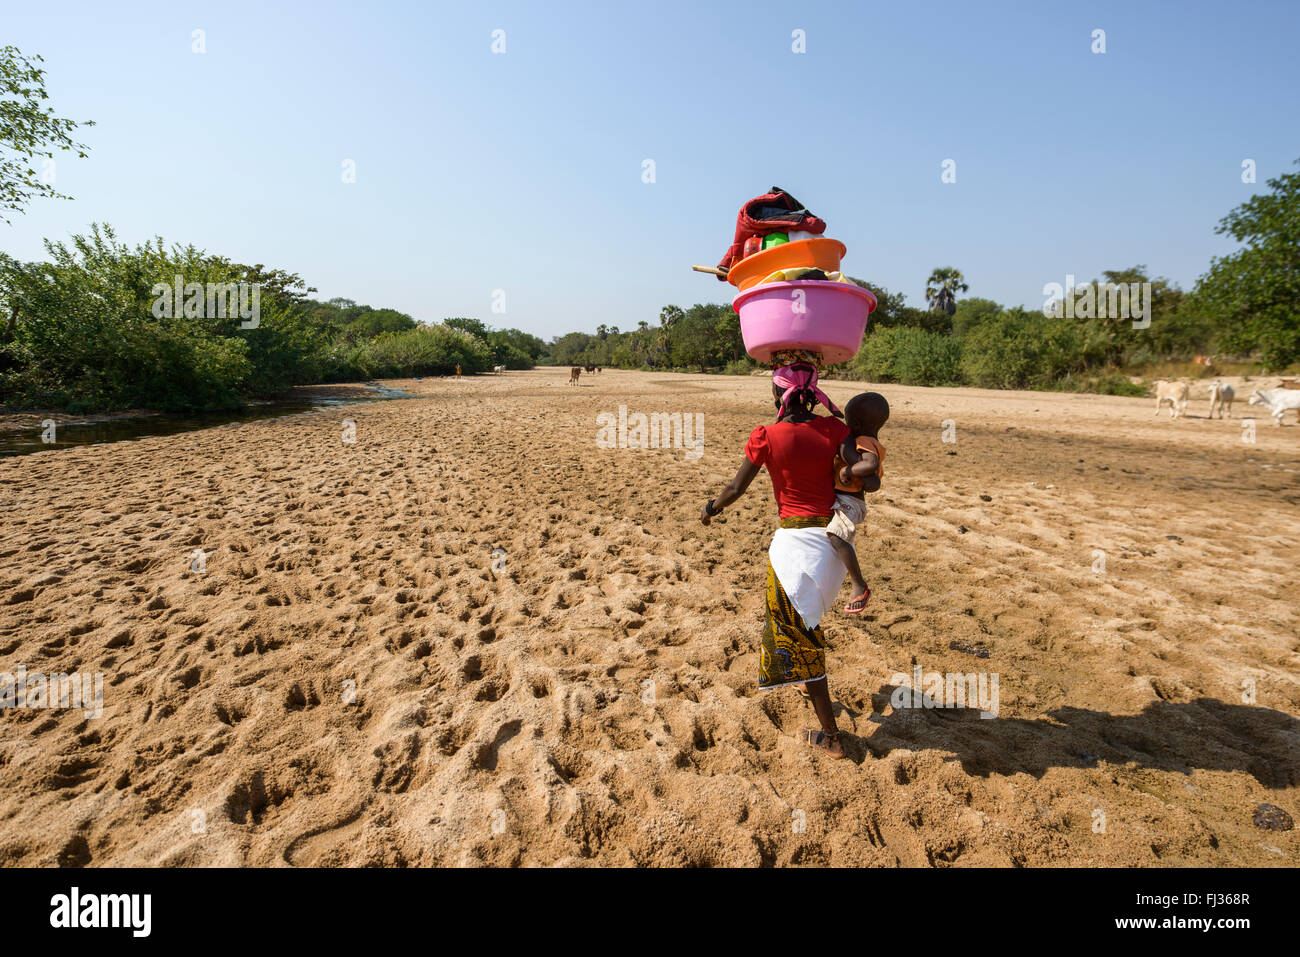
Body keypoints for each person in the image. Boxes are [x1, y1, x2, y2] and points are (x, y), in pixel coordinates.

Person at [699, 352, 852, 758]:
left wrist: (711, 509)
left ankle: (831, 737)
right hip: (834, 546)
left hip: (794, 547)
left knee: (803, 636)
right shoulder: (836, 430)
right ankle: (806, 679)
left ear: (777, 393)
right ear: (813, 395)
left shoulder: (766, 434)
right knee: (809, 622)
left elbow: (736, 489)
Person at [825, 393, 889, 614]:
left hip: (851, 501)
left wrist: (848, 469)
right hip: (848, 499)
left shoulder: (864, 442)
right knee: (836, 533)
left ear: (858, 424)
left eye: (849, 420)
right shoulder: (865, 441)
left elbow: (870, 466)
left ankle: (858, 583)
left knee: (836, 534)